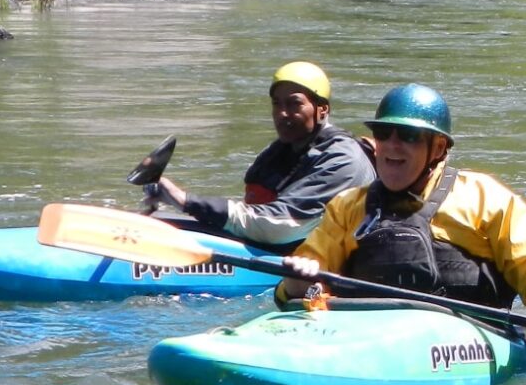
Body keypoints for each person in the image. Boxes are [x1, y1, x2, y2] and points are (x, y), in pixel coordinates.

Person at [277, 84, 526, 342]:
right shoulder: (347, 206)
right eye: (383, 133)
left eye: (408, 136)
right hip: (366, 338)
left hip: (468, 338)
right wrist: (295, 285)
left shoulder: (484, 197)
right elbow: (310, 273)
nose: (392, 145)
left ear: (438, 147)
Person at [146, 62, 375, 247]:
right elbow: (251, 212)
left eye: (294, 104)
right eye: (277, 104)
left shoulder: (344, 161)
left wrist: (185, 201)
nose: (282, 113)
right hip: (274, 247)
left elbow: (276, 226)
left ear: (322, 110)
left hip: (314, 264)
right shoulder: (279, 151)